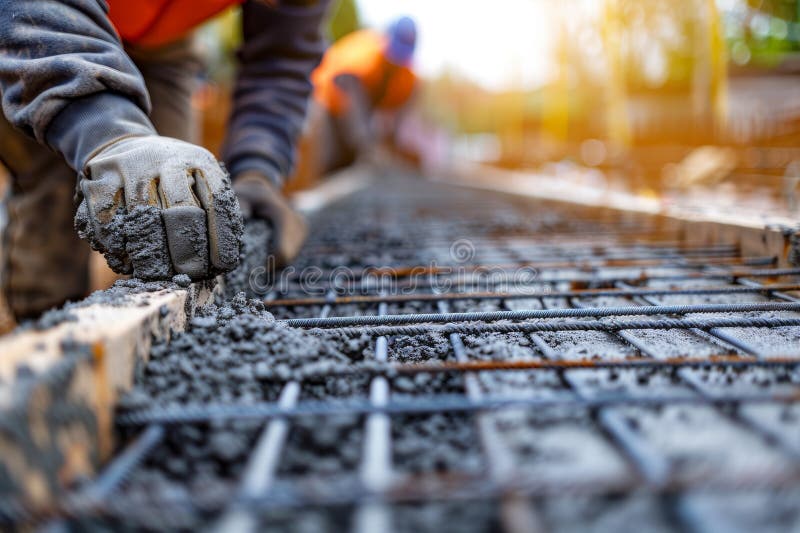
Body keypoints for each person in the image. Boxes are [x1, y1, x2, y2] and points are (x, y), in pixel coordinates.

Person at [0, 0, 325, 319]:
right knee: (54, 187)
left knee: (175, 220)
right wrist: (111, 131)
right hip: (36, 21)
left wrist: (258, 169)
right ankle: (43, 334)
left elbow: (280, 58)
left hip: (163, 47)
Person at [289, 16, 417, 189]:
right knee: (327, 160)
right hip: (326, 103)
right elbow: (352, 106)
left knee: (348, 163)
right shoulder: (364, 54)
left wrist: (390, 146)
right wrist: (366, 146)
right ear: (385, 39)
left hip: (352, 115)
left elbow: (396, 116)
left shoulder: (405, 75)